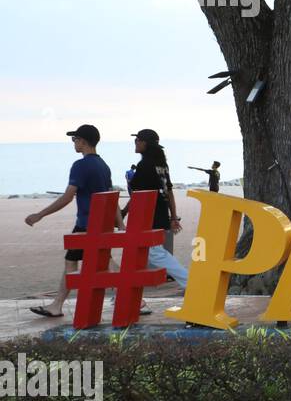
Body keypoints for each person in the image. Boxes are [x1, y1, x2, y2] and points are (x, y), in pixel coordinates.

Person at [25, 125, 114, 318]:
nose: (73, 143)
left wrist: (40, 214)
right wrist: (119, 225)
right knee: (103, 262)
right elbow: (111, 197)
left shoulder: (80, 165)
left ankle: (57, 305)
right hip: (102, 224)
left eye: (75, 139)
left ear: (82, 141)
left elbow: (67, 197)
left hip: (85, 224)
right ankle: (57, 304)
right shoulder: (104, 166)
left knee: (72, 261)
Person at [124, 129, 188, 302]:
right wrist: (172, 217)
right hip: (159, 212)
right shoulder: (161, 164)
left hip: (147, 215)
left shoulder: (145, 165)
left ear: (145, 143)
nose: (135, 142)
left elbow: (137, 195)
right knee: (138, 255)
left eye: (137, 139)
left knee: (154, 253)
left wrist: (123, 212)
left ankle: (190, 282)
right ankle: (127, 294)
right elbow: (169, 192)